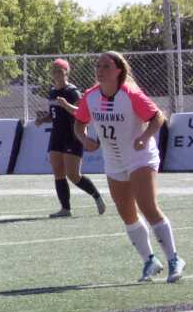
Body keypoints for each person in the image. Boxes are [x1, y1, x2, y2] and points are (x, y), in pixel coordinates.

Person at [74, 51, 183, 283]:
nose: (100, 70)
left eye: (106, 66)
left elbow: (157, 117)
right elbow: (79, 123)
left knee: (147, 206)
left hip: (140, 157)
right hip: (113, 160)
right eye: (98, 66)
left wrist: (144, 137)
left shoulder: (130, 94)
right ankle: (149, 261)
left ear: (118, 71)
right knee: (126, 213)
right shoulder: (90, 96)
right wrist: (85, 140)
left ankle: (174, 259)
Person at [38, 58, 106, 218]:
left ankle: (96, 196)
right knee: (58, 172)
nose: (57, 74)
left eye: (60, 71)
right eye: (54, 71)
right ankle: (65, 208)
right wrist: (42, 119)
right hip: (56, 136)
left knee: (73, 175)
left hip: (73, 135)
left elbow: (82, 113)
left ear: (66, 73)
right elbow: (54, 114)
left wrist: (66, 105)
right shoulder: (52, 92)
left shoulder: (72, 91)